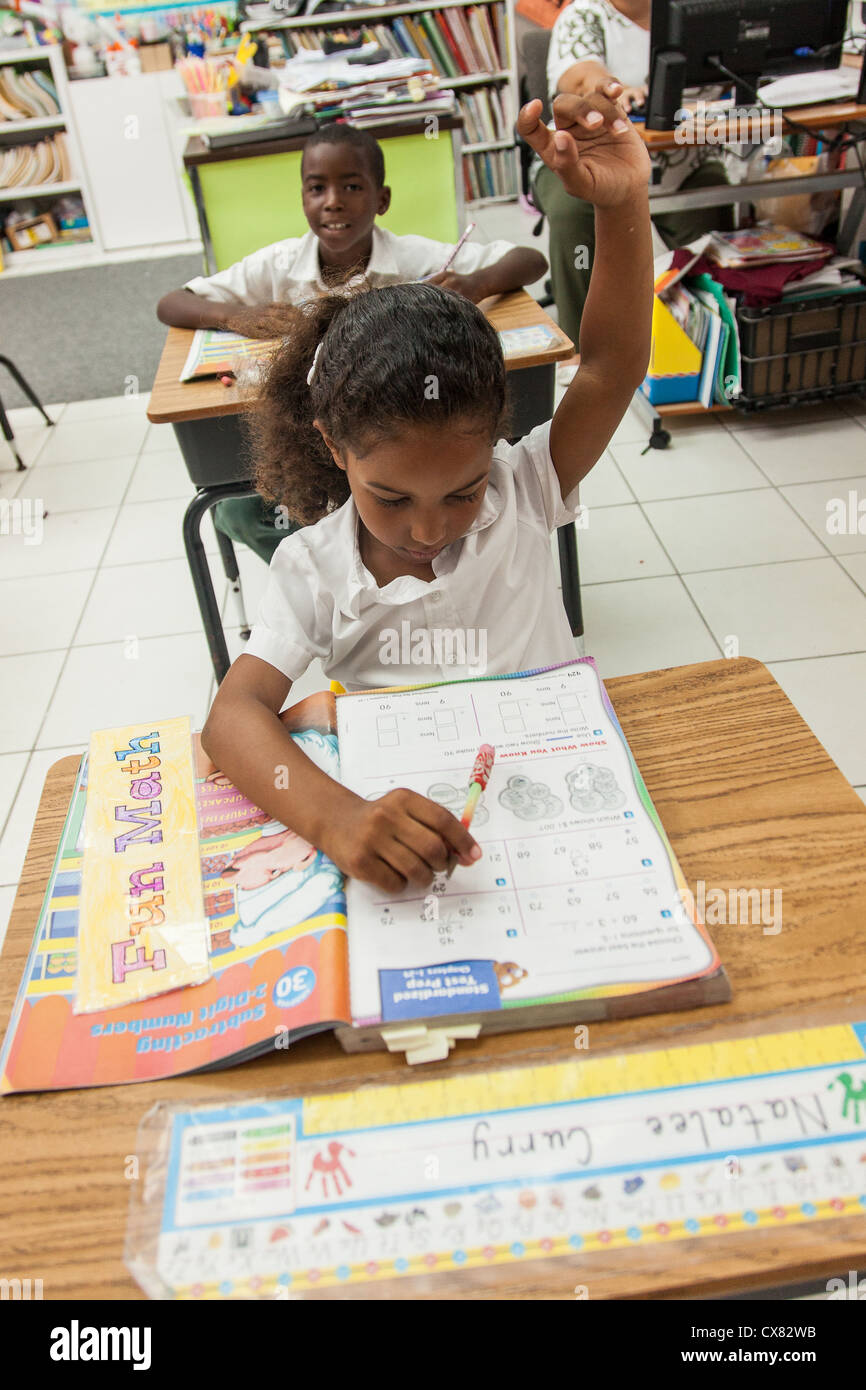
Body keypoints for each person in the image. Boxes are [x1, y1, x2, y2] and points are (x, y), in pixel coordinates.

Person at [201, 86, 653, 895]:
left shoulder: (526, 486)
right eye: (392, 498)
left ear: (494, 451)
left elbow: (612, 364)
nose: (432, 528)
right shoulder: (313, 567)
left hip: (556, 797)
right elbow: (231, 721)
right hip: (406, 822)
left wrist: (625, 206)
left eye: (463, 490)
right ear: (334, 448)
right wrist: (337, 818)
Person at [157, 123, 547, 562]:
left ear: (382, 200)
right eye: (317, 188)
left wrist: (475, 282)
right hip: (309, 440)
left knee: (405, 505)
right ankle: (333, 576)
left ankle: (396, 568)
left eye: (352, 186)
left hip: (395, 448)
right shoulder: (279, 266)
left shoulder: (410, 257)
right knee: (239, 514)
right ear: (303, 198)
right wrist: (235, 314)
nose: (334, 201)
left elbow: (531, 259)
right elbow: (172, 303)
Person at [536, 0, 734, 344]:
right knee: (572, 212)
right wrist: (610, 89)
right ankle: (581, 351)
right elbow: (582, 75)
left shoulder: (702, 11)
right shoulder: (584, 14)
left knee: (713, 205)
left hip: (684, 163)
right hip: (587, 161)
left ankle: (706, 347)